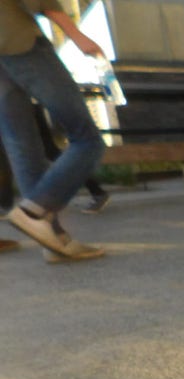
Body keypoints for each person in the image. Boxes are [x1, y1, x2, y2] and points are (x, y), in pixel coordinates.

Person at [0, 0, 106, 260]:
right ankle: (34, 212)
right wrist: (77, 35)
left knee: (22, 145)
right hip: (19, 42)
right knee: (87, 138)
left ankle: (53, 242)